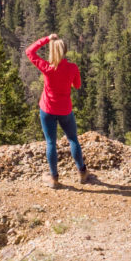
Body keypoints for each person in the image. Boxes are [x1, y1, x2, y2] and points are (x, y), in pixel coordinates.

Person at [26, 33, 90, 187]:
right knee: (73, 139)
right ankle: (82, 172)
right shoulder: (72, 68)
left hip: (47, 109)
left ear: (52, 52)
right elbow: (78, 85)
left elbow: (29, 51)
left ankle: (54, 178)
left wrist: (47, 38)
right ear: (65, 51)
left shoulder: (47, 67)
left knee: (51, 143)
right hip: (65, 109)